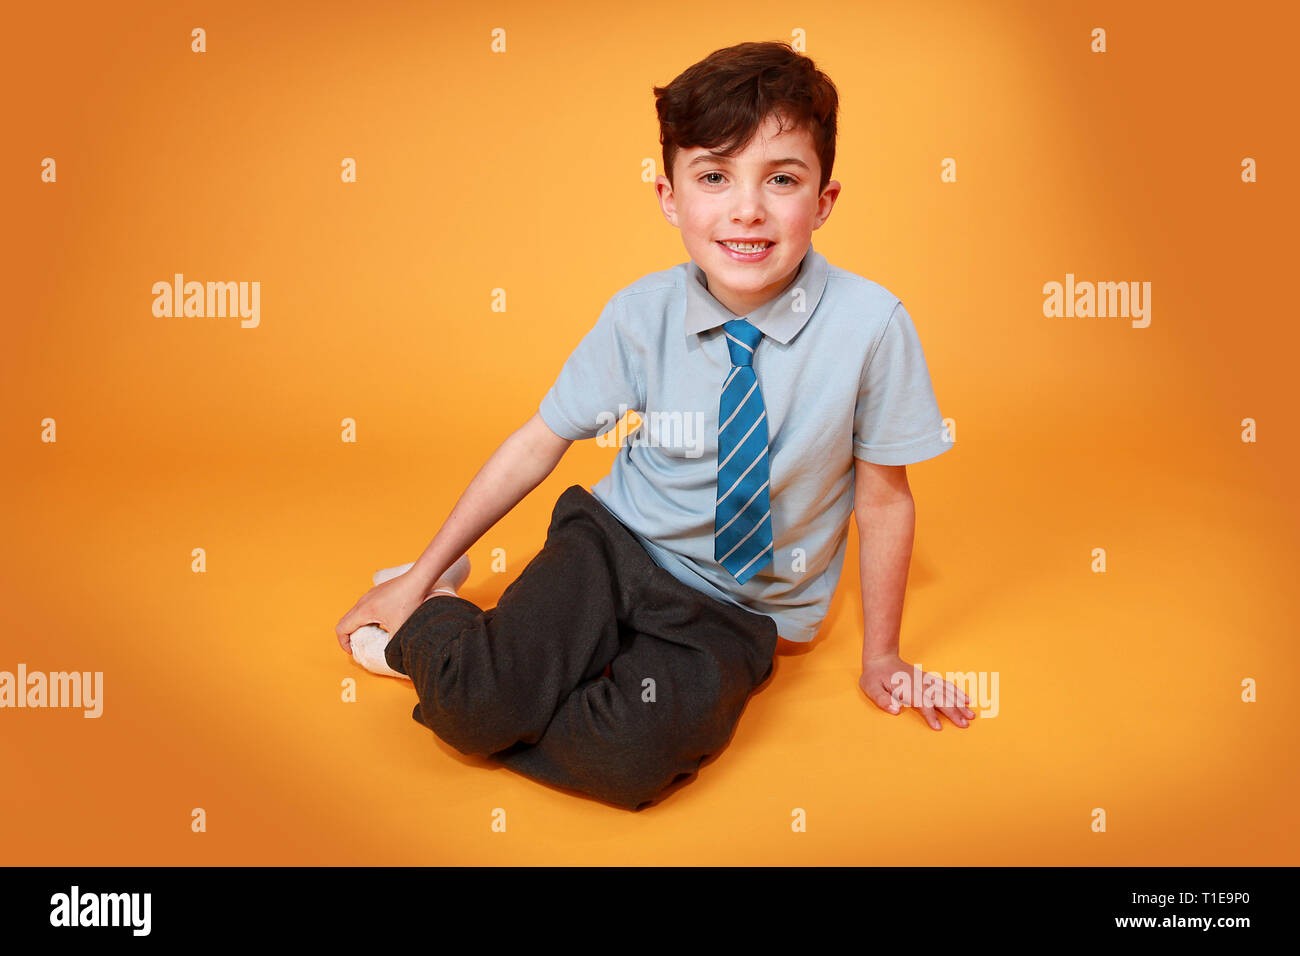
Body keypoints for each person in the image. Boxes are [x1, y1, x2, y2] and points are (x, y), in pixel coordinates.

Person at [335, 40, 974, 812]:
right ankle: (436, 612)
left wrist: (883, 656)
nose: (746, 209)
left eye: (781, 179)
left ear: (824, 201)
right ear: (670, 198)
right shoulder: (642, 314)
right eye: (713, 176)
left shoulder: (873, 327)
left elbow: (883, 499)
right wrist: (420, 570)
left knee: (629, 761)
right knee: (480, 707)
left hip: (736, 609)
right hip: (615, 544)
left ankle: (490, 674)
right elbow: (541, 439)